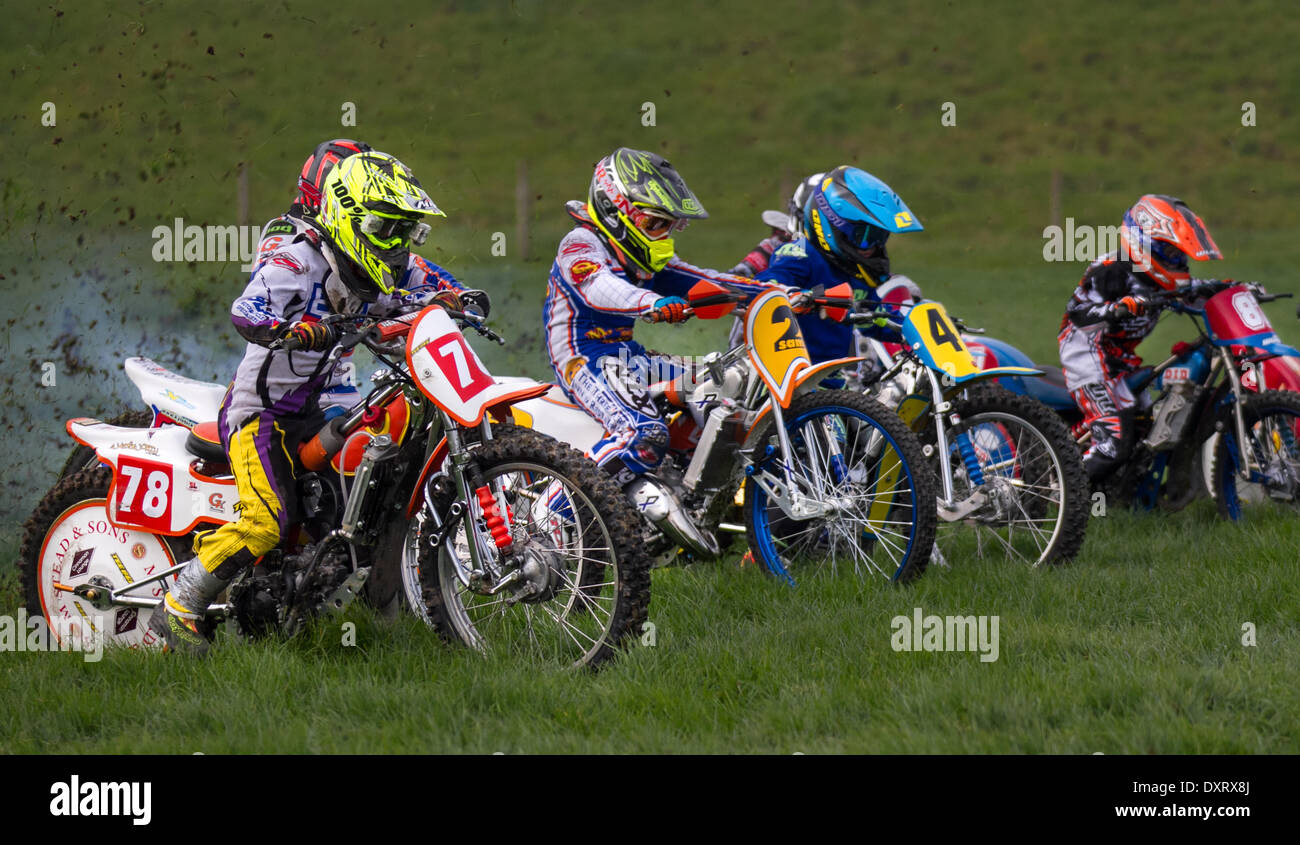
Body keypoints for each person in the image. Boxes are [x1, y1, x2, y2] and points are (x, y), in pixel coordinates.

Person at [149, 150, 484, 654]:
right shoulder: (295, 260)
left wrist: (462, 301)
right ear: (352, 218)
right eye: (388, 228)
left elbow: (440, 286)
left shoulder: (388, 266)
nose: (399, 244)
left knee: (346, 504)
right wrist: (289, 328)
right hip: (260, 413)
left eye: (407, 230)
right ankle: (180, 605)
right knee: (268, 520)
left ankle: (305, 597)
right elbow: (247, 310)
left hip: (317, 409)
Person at [543, 147, 775, 490]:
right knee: (645, 434)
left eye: (669, 226)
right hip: (582, 357)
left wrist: (776, 293)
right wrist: (651, 302)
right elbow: (598, 286)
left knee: (722, 391)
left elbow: (708, 280)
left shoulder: (643, 257)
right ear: (614, 209)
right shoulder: (581, 244)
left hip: (627, 356)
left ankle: (679, 494)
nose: (663, 235)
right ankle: (555, 514)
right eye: (655, 224)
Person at [1058, 194, 1225, 481]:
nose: (1177, 261)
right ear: (1143, 243)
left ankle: (1122, 493)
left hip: (1119, 359)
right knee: (1112, 446)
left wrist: (1225, 289)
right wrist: (1117, 307)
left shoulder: (1157, 277)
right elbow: (1077, 312)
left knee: (1145, 429)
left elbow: (1188, 290)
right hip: (1086, 355)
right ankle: (1052, 496)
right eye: (1169, 253)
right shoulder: (1111, 270)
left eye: (1179, 254)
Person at [754, 166, 925, 365]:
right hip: (782, 371)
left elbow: (875, 320)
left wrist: (915, 328)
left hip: (829, 377)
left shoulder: (857, 274)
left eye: (879, 237)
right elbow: (768, 283)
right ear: (833, 226)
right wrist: (797, 295)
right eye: (864, 237)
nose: (872, 247)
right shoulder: (800, 252)